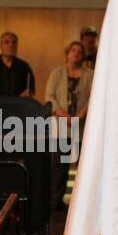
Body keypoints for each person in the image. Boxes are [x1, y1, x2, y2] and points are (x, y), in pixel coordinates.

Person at [45, 40, 92, 207]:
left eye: (80, 51)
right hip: (61, 126)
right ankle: (55, 202)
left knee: (84, 167)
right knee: (59, 167)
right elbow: (50, 97)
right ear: (67, 53)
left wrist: (80, 115)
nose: (76, 54)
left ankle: (82, 205)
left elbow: (94, 97)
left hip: (82, 127)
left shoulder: (90, 74)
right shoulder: (57, 73)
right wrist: (64, 116)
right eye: (73, 50)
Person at [0, 31, 35, 97]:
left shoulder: (24, 67)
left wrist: (27, 93)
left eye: (14, 43)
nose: (11, 45)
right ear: (0, 46)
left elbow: (30, 89)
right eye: (7, 42)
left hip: (18, 105)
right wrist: (0, 102)